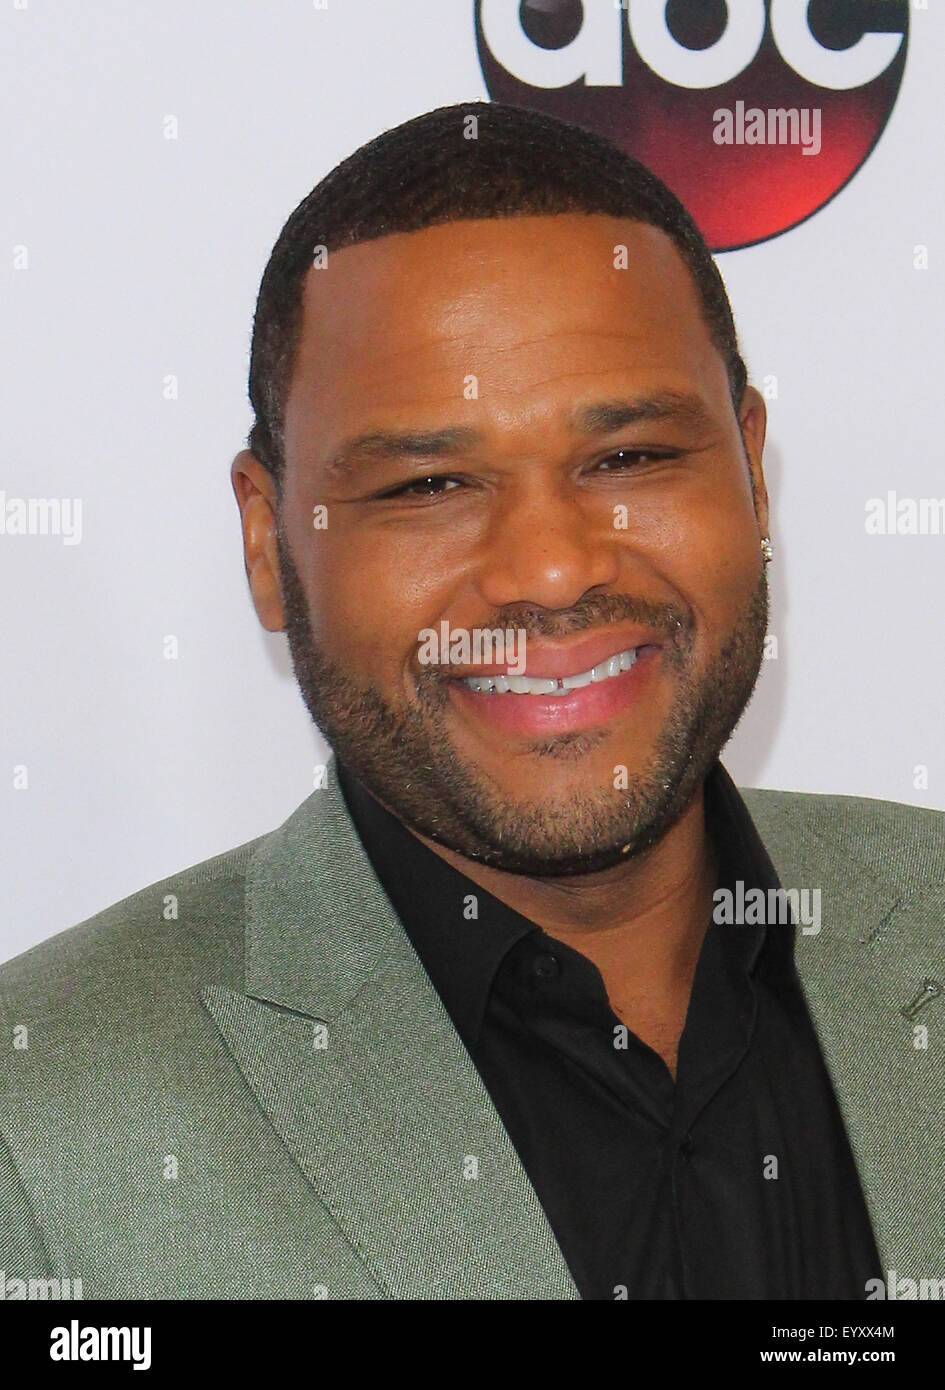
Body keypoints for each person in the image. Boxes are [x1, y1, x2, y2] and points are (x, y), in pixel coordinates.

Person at [2, 102, 942, 1301]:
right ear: (266, 538)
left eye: (630, 457)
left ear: (752, 471)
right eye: (429, 483)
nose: (552, 568)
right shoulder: (36, 1134)